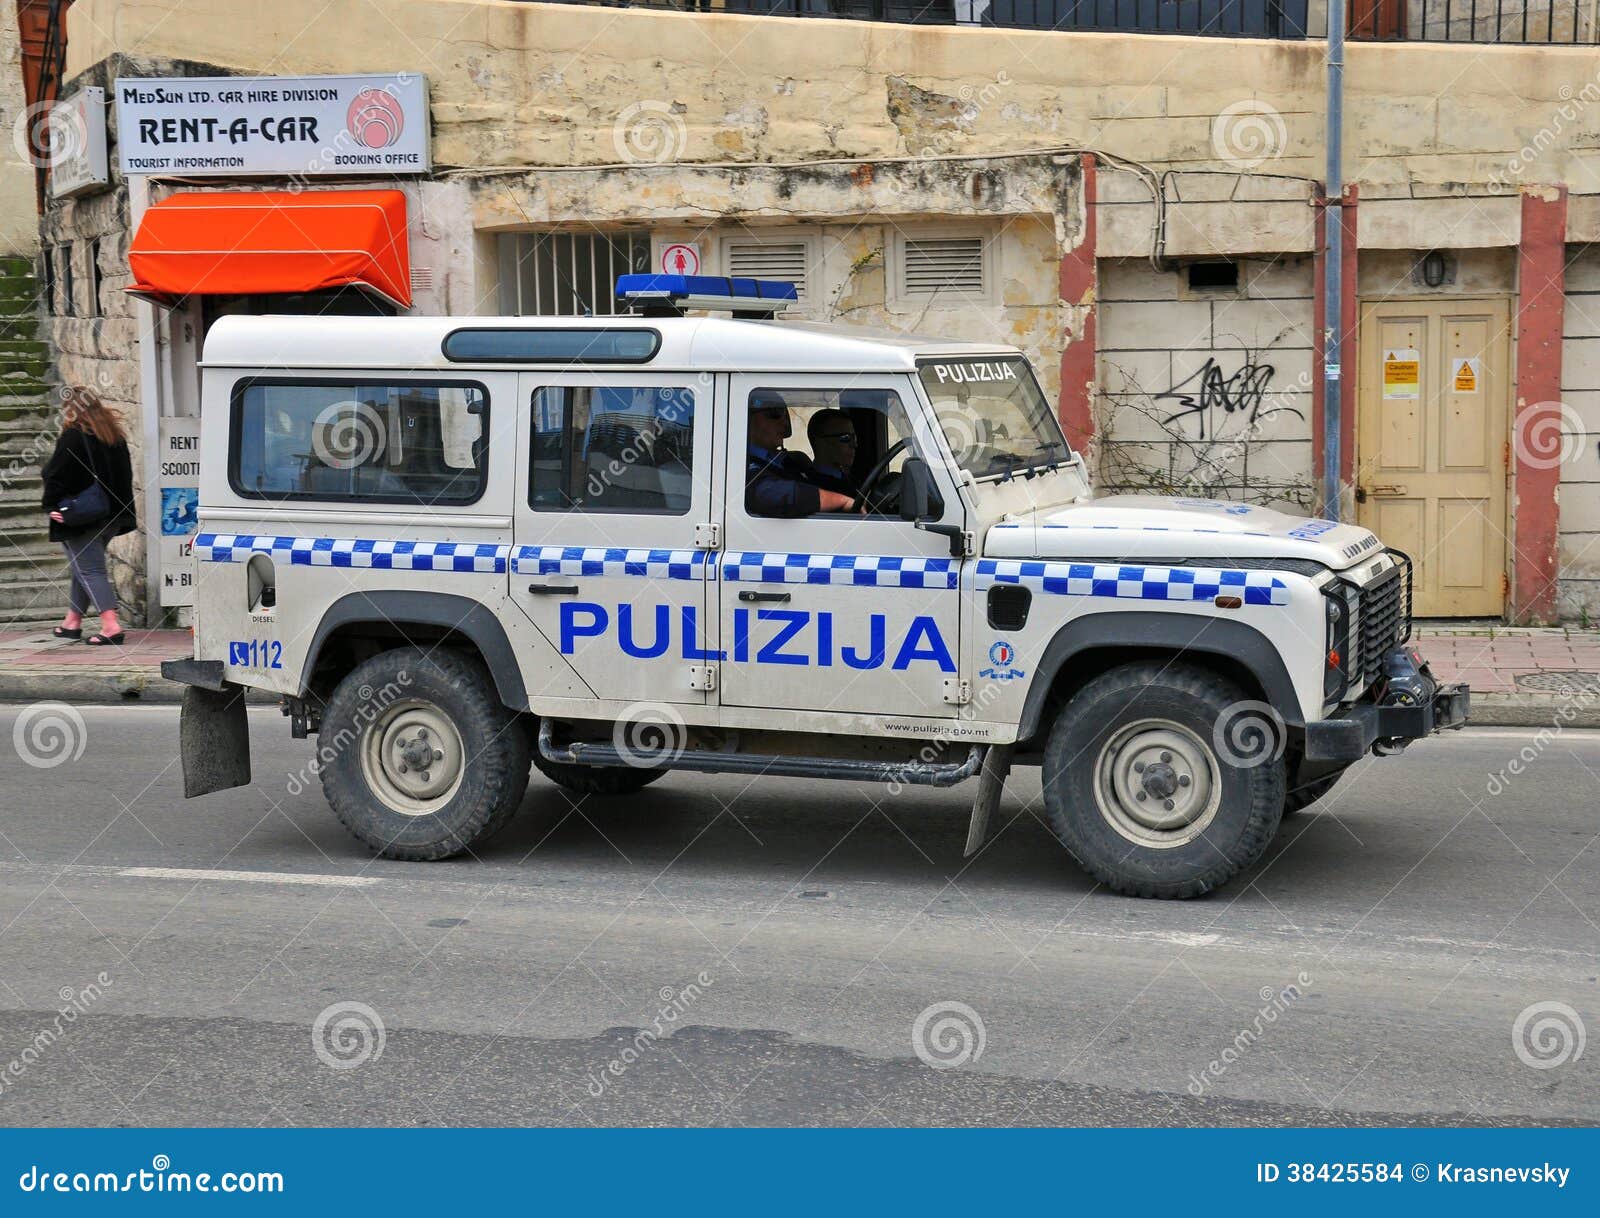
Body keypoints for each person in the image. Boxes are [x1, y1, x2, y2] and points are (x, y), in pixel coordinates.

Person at [40, 386, 137, 646]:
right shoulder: (114, 436)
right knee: (82, 567)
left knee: (90, 569)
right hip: (110, 516)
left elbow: (55, 474)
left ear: (71, 410)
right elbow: (125, 478)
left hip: (82, 516)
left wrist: (53, 506)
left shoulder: (74, 437)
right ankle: (72, 622)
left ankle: (110, 625)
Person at [745, 398, 859, 517]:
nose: (784, 424)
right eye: (775, 413)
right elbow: (771, 493)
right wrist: (842, 501)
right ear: (748, 418)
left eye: (785, 416)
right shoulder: (743, 465)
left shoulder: (792, 461)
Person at [803, 408, 860, 498]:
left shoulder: (851, 479)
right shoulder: (811, 489)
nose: (854, 444)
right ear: (821, 443)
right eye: (846, 437)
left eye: (854, 437)